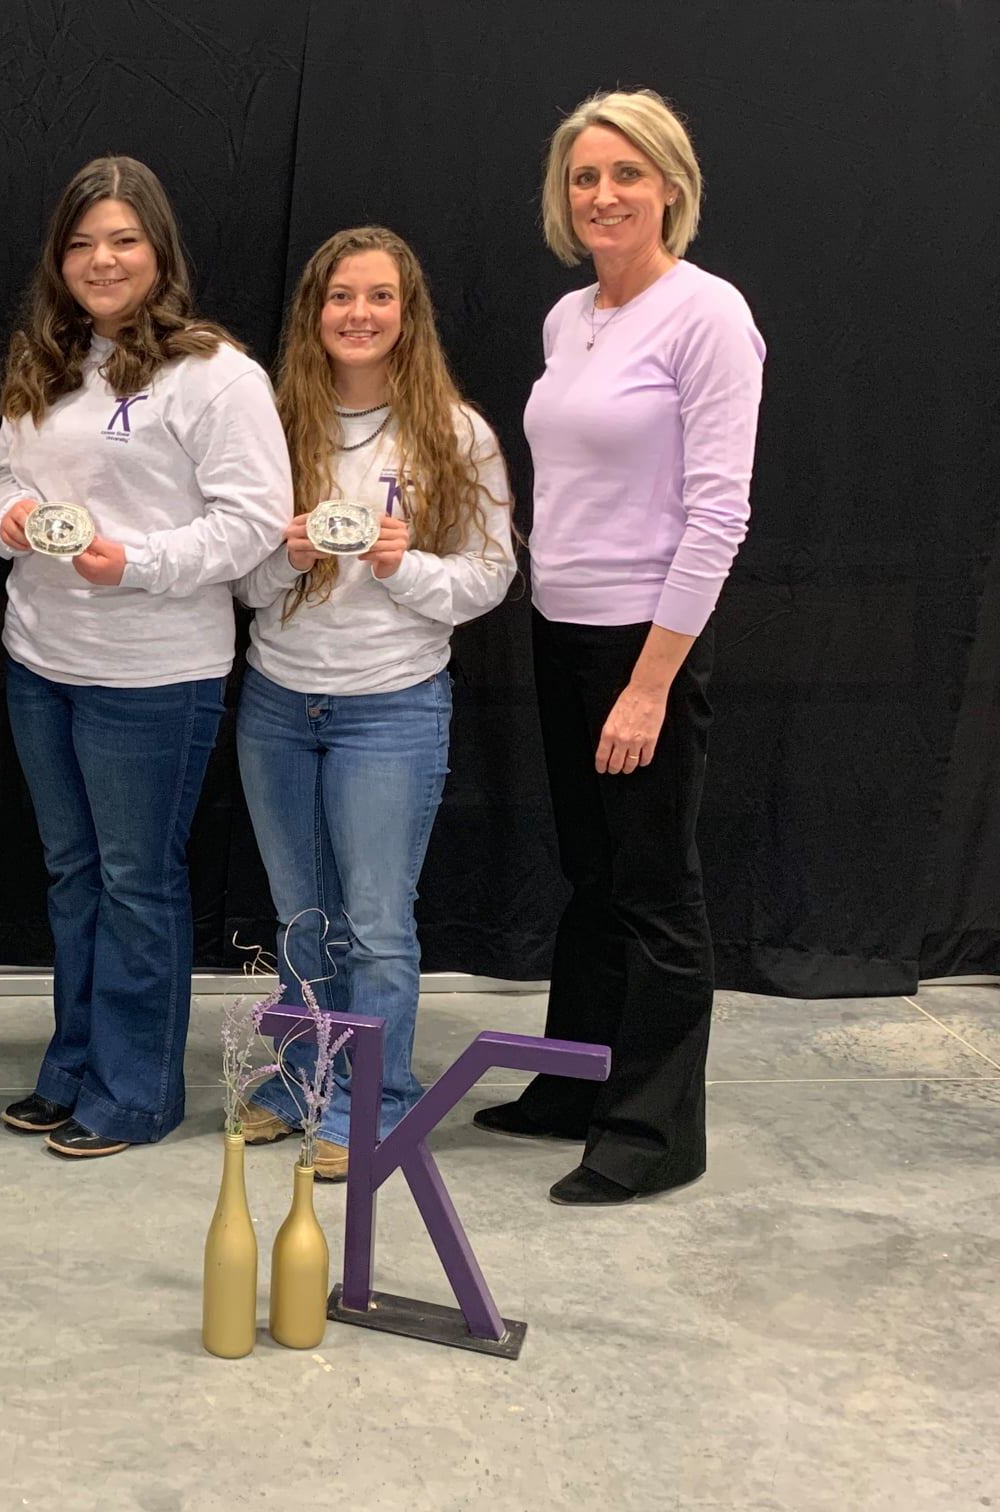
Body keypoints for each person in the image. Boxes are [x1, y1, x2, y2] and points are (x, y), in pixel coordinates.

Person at [474, 89, 766, 1205]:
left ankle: (652, 1133)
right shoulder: (571, 317)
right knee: (590, 875)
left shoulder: (708, 316)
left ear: (671, 188)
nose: (603, 195)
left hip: (647, 643)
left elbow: (718, 514)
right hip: (562, 629)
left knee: (654, 888)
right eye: (585, 177)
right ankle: (572, 1086)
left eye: (625, 175)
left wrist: (651, 682)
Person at [0, 156, 291, 1159]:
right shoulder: (44, 360)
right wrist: (14, 516)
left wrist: (140, 562)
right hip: (42, 660)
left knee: (135, 881)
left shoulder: (216, 375)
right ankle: (73, 1066)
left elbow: (253, 523)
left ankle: (135, 1090)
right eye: (81, 243)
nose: (101, 260)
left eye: (122, 239)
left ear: (158, 250)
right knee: (72, 875)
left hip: (154, 672)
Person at [231, 227, 515, 1181]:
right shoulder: (273, 424)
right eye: (340, 296)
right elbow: (238, 582)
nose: (359, 314)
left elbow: (490, 576)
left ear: (408, 312)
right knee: (299, 914)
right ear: (314, 312)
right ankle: (300, 1079)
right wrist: (288, 557)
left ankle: (377, 1101)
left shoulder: (454, 431)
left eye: (380, 296)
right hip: (279, 703)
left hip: (390, 708)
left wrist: (405, 568)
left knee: (379, 923)